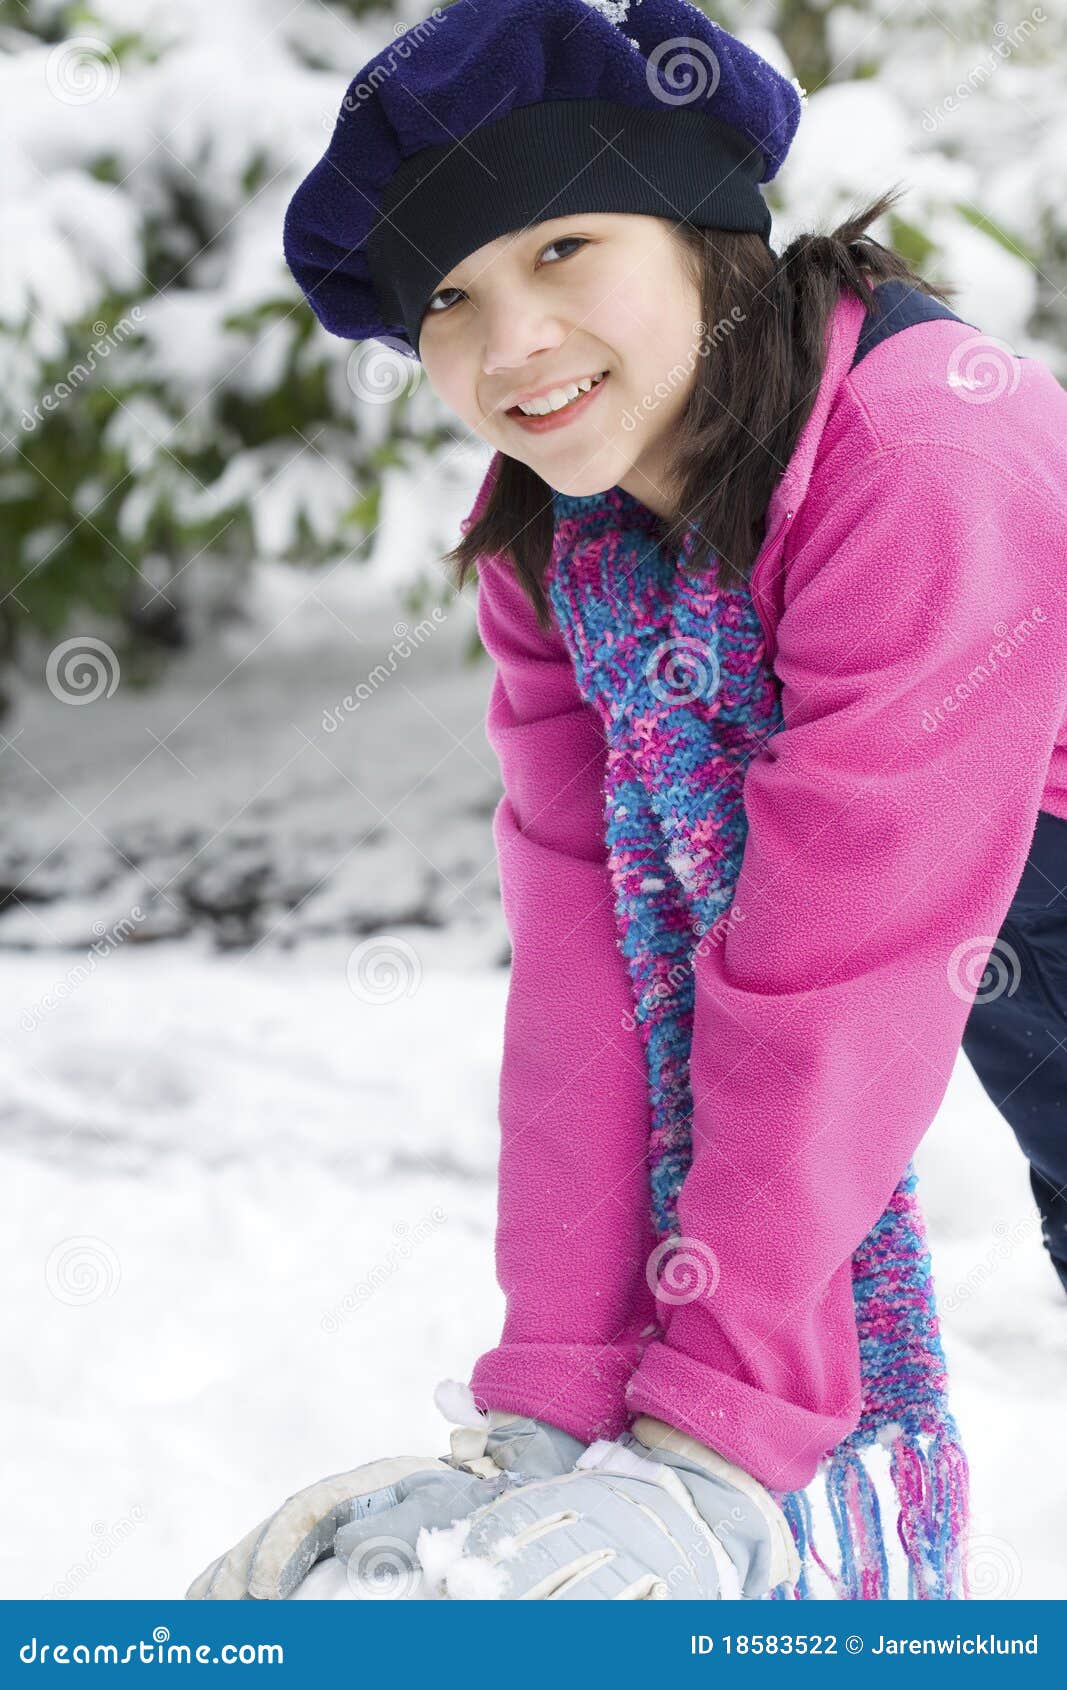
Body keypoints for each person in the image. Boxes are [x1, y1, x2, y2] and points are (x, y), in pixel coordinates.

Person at [188, 0, 1067, 1601]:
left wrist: (718, 1439)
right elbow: (587, 969)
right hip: (979, 885)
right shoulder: (559, 552)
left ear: (706, 236)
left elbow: (833, 967)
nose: (509, 338)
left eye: (565, 247)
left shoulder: (928, 458)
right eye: (446, 294)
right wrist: (560, 1399)